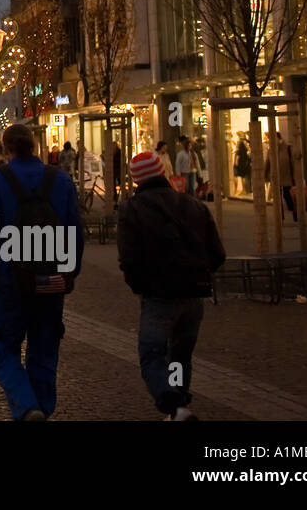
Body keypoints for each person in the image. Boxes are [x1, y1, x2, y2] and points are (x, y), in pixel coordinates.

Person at [0, 124, 83, 421]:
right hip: (52, 278)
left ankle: (27, 406)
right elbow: (75, 229)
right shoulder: (59, 179)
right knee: (44, 347)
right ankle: (42, 409)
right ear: (34, 146)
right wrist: (70, 271)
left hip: (12, 280)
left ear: (6, 148)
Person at [118, 150, 226, 421]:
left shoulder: (132, 209)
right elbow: (217, 253)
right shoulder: (192, 204)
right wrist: (200, 274)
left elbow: (129, 259)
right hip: (193, 292)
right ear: (162, 172)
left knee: (152, 355)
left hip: (158, 295)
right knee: (180, 354)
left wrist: (140, 286)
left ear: (135, 180)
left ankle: (174, 406)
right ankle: (180, 403)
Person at [267, 132, 298, 222]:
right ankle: (280, 217)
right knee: (277, 198)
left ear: (278, 138)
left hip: (287, 176)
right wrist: (265, 175)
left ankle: (294, 212)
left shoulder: (288, 148)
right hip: (275, 177)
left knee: (288, 196)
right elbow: (267, 163)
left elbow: (293, 163)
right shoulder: (271, 149)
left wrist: (296, 176)